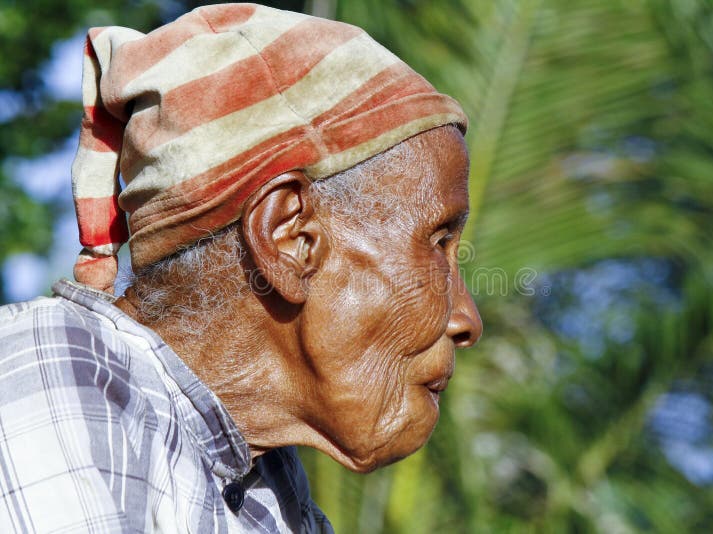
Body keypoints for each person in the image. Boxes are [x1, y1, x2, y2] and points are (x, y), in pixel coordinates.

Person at [0, 3, 481, 532]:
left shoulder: (269, 492)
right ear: (289, 237)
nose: (467, 321)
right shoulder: (57, 383)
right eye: (438, 242)